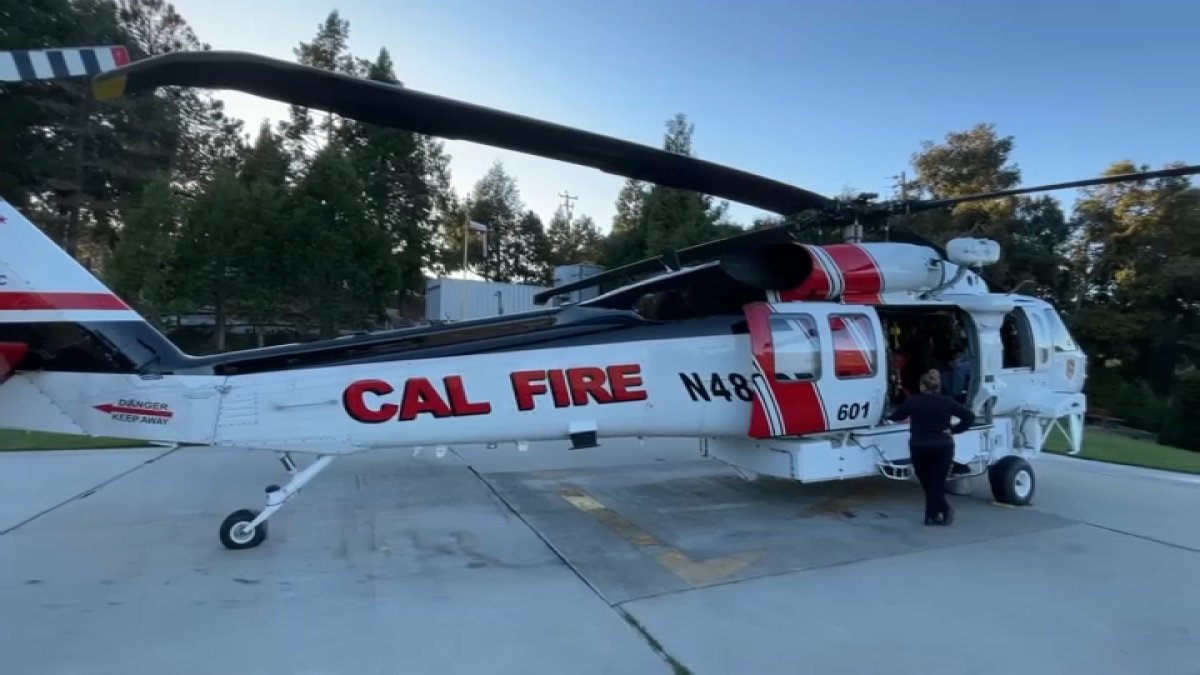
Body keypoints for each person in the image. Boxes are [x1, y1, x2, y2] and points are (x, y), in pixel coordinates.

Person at [886, 369, 976, 526]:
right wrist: (954, 430)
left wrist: (884, 415)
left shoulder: (913, 401)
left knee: (927, 482)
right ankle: (937, 513)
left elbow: (897, 416)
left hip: (920, 445)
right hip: (943, 445)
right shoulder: (947, 401)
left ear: (922, 386)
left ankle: (935, 514)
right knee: (937, 482)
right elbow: (969, 416)